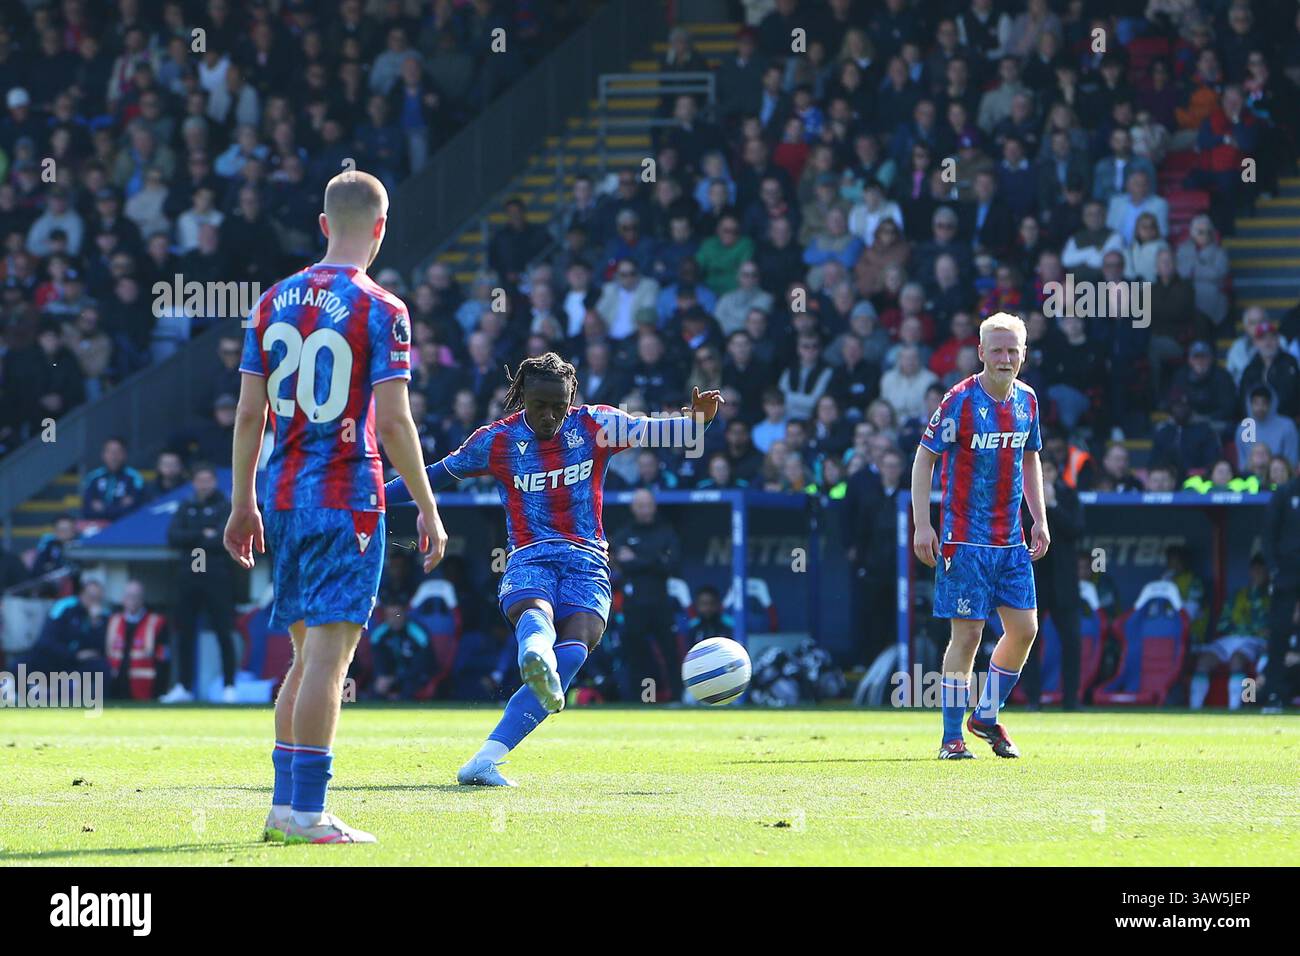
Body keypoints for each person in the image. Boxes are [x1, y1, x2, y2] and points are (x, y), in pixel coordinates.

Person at [224, 170, 447, 846]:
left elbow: (247, 415)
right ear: (380, 228)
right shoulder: (383, 308)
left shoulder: (271, 301)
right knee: (329, 661)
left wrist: (242, 504)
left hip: (283, 499)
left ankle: (283, 806)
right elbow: (395, 422)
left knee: (302, 659)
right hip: (347, 500)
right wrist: (429, 508)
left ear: (324, 224)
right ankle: (308, 813)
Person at [385, 352, 723, 786]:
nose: (548, 416)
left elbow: (658, 431)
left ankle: (486, 758)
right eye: (539, 405)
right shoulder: (496, 441)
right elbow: (433, 475)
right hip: (529, 555)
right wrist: (372, 496)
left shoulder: (598, 424)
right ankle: (535, 652)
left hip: (587, 559)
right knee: (536, 612)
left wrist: (698, 423)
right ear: (522, 396)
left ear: (572, 398)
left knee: (580, 641)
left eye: (558, 407)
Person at [912, 312, 1048, 759]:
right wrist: (923, 523)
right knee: (967, 635)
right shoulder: (959, 401)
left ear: (1023, 354)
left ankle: (985, 715)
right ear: (982, 353)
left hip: (1010, 542)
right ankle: (952, 737)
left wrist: (1039, 519)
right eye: (998, 350)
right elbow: (924, 458)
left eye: (1013, 350)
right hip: (964, 540)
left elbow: (1030, 460)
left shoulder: (1028, 401)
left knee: (1024, 630)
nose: (1006, 358)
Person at [161, 464, 239, 704]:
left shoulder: (225, 505)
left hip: (217, 576)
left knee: (223, 632)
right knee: (184, 633)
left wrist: (199, 537)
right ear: (194, 483)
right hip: (188, 577)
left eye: (208, 479)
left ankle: (229, 685)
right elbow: (173, 537)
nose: (204, 484)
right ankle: (184, 686)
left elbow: (224, 538)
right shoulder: (186, 506)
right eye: (200, 480)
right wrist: (200, 534)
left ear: (214, 481)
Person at [1020, 457, 1083, 709]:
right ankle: (1032, 699)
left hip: (1064, 582)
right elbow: (1020, 529)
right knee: (1029, 640)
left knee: (1071, 641)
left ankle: (1071, 700)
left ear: (1056, 473)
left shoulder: (1068, 496)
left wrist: (1053, 505)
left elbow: (1077, 529)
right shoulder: (1022, 495)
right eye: (1041, 470)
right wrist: (1038, 509)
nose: (1045, 475)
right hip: (1035, 579)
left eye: (1049, 469)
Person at [610, 489, 683, 702]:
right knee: (636, 656)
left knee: (670, 653)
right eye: (639, 505)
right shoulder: (624, 533)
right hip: (634, 605)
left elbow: (671, 565)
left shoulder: (666, 532)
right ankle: (639, 700)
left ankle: (676, 699)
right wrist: (654, 560)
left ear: (654, 506)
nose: (644, 509)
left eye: (647, 505)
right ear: (633, 508)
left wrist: (638, 560)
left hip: (661, 603)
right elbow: (623, 562)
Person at [1190, 556, 1270, 711]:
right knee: (1203, 661)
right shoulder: (1238, 595)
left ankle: (1238, 708)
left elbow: (1273, 627)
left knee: (1238, 660)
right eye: (1255, 570)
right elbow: (1223, 623)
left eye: (1261, 571)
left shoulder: (1273, 596)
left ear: (1267, 574)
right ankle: (1194, 710)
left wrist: (1256, 629)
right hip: (1231, 639)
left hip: (1257, 641)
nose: (1257, 574)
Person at [1262, 471, 1300, 713]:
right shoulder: (1285, 492)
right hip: (1287, 575)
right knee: (1278, 638)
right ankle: (1274, 694)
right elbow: (1268, 534)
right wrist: (1274, 569)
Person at [105, 580, 169, 701]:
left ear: (142, 599)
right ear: (123, 599)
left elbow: (163, 661)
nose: (132, 600)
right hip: (115, 688)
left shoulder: (157, 622)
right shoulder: (113, 621)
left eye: (136, 596)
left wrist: (160, 692)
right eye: (129, 596)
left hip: (145, 689)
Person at [368, 597, 435, 701]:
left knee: (408, 689)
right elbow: (378, 662)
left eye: (397, 615)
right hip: (390, 677)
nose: (394, 619)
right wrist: (383, 677)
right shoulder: (379, 635)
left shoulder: (418, 633)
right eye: (390, 616)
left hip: (414, 677)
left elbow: (425, 663)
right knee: (376, 688)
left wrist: (397, 678)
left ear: (404, 614)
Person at [82, 436, 145, 522]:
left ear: (124, 455)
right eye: (110, 452)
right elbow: (87, 509)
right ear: (103, 455)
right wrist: (119, 507)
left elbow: (134, 507)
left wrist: (103, 509)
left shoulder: (135, 477)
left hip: (125, 524)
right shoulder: (93, 477)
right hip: (97, 525)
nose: (114, 457)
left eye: (117, 452)